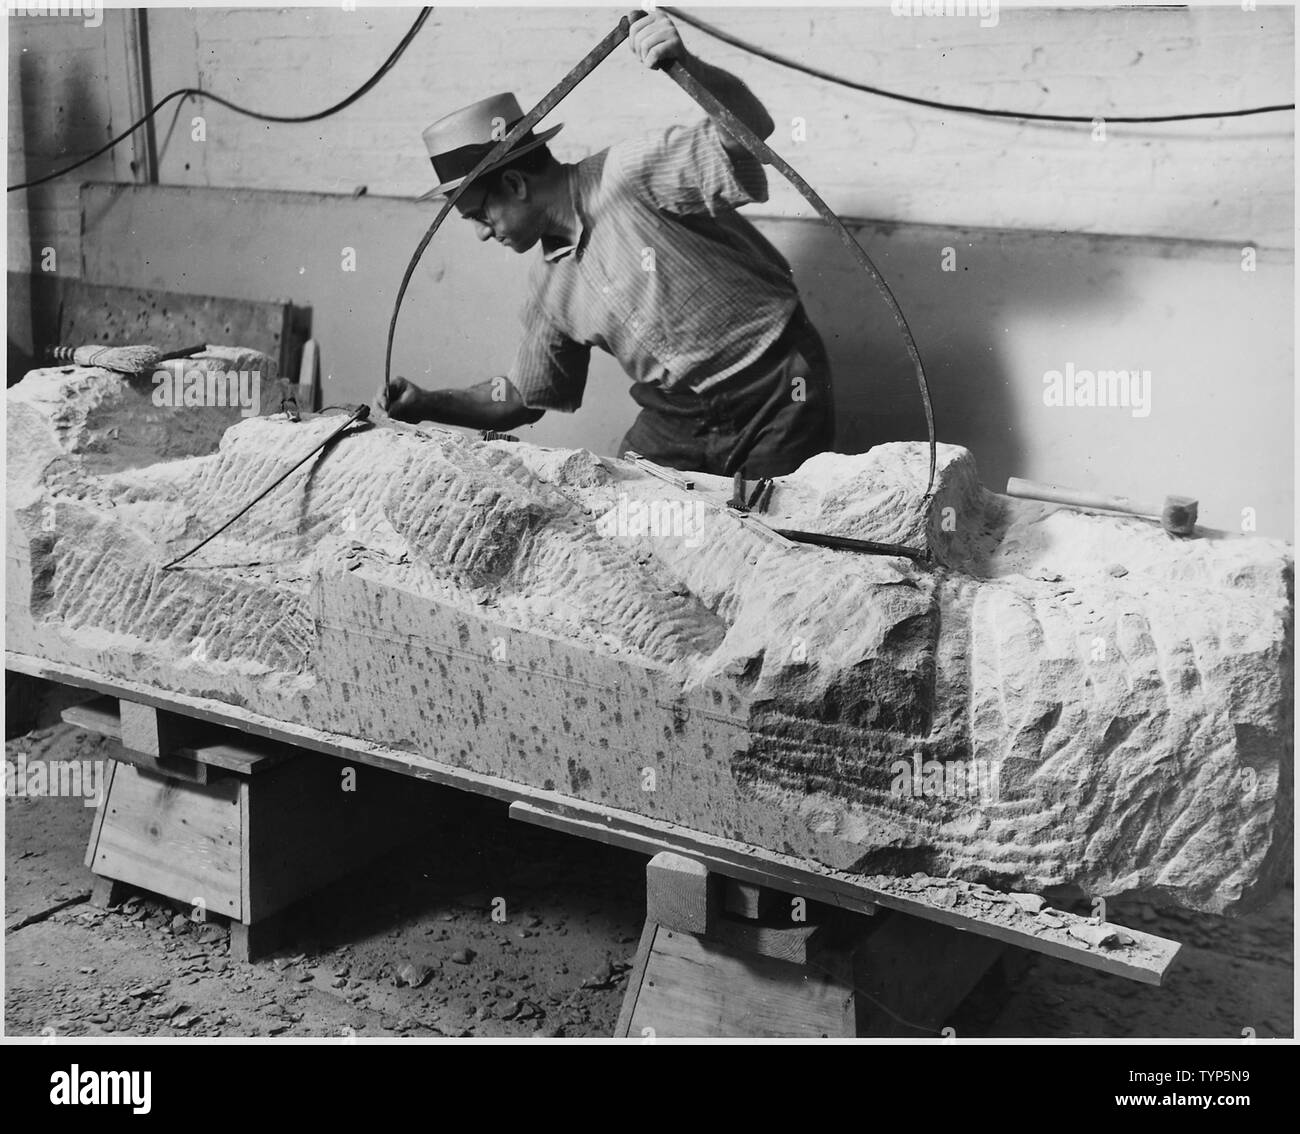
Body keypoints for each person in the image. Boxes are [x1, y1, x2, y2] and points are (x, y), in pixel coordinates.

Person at [379, 9, 834, 478]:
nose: (480, 232)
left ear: (515, 184)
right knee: (627, 527)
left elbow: (750, 133)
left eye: (479, 214)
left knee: (771, 534)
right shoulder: (550, 286)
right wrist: (430, 402)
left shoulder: (629, 173)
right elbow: (521, 396)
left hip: (778, 386)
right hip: (678, 415)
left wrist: (688, 65)